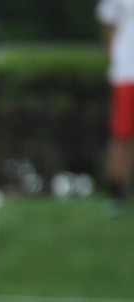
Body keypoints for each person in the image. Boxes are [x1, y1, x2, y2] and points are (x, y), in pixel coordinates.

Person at [99, 0, 134, 210]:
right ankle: (118, 193)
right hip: (127, 73)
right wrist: (117, 60)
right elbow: (109, 26)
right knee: (121, 136)